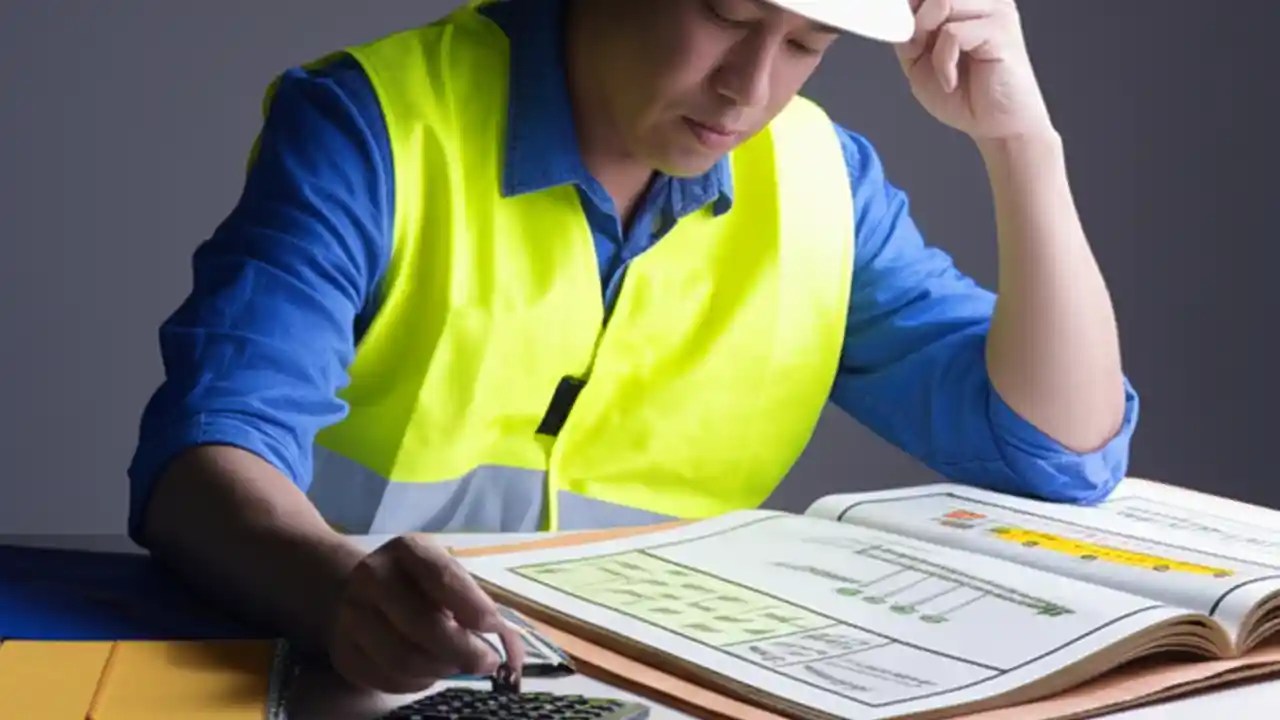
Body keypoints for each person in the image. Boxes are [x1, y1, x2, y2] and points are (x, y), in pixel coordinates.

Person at [127, 0, 1138, 695]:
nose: (749, 87)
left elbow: (1055, 448)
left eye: (805, 45)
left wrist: (1020, 145)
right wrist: (339, 594)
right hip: (363, 679)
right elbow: (205, 459)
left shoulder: (824, 182)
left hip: (653, 693)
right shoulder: (374, 127)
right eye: (726, 14)